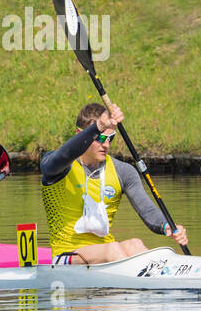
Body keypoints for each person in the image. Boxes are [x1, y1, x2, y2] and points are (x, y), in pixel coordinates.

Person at [40, 102, 187, 264]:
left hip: (108, 252)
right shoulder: (57, 166)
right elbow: (64, 154)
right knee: (114, 250)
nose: (106, 145)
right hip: (66, 255)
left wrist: (166, 226)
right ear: (80, 134)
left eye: (111, 138)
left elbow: (146, 208)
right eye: (100, 138)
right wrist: (98, 126)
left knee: (135, 244)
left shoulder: (123, 171)